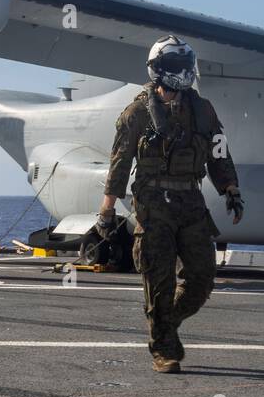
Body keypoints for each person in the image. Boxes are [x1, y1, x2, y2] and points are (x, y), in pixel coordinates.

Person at [98, 35, 243, 374]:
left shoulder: (202, 110)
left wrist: (231, 191)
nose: (185, 73)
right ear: (160, 70)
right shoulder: (137, 113)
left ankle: (166, 325)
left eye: (186, 65)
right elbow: (119, 164)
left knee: (202, 277)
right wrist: (106, 211)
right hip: (152, 203)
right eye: (177, 66)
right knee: (158, 280)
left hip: (191, 201)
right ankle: (163, 349)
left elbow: (219, 153)